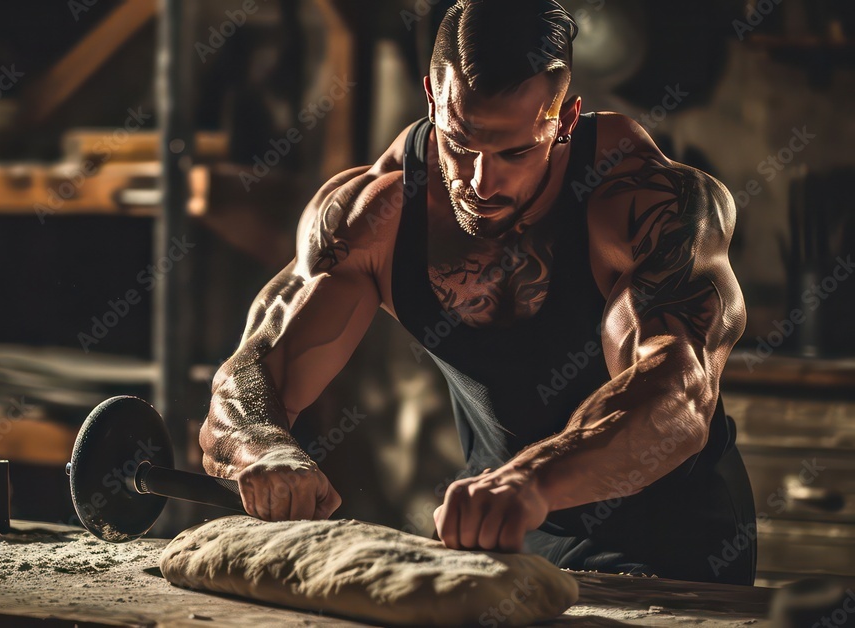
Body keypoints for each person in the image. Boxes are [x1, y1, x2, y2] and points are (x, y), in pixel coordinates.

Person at [199, 0, 756, 586]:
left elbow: (678, 393)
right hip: (500, 526)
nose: (480, 183)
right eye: (460, 146)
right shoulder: (373, 213)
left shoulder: (644, 205)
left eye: (515, 152)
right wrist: (266, 448)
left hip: (670, 532)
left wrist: (532, 478)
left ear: (565, 120)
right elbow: (255, 370)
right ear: (431, 101)